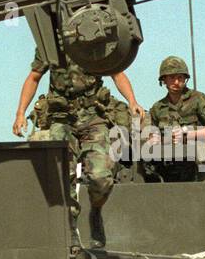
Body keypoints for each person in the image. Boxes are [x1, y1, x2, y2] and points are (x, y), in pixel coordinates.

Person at [13, 50, 144, 248]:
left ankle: (96, 211)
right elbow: (34, 77)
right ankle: (71, 226)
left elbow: (117, 73)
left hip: (93, 116)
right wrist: (20, 113)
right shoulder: (49, 41)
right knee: (63, 175)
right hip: (62, 118)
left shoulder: (92, 41)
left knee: (101, 177)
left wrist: (132, 101)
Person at [148, 56, 205, 178]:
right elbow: (151, 136)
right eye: (172, 77)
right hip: (169, 167)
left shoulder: (198, 99)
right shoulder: (158, 108)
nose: (176, 82)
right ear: (164, 80)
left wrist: (188, 134)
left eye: (180, 77)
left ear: (185, 79)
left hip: (200, 165)